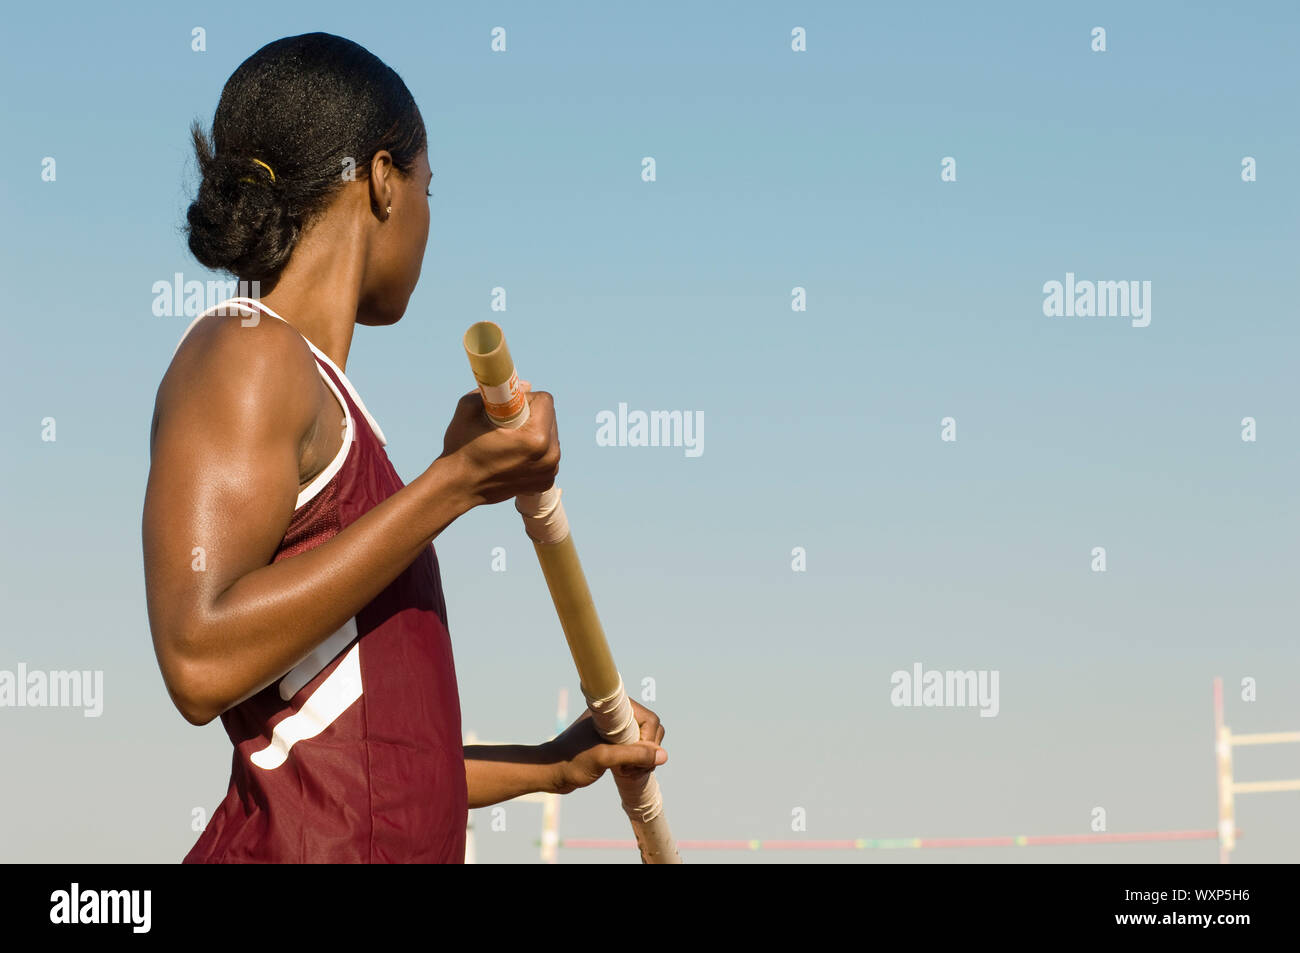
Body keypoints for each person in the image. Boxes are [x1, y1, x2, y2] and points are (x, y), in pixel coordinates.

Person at [142, 32, 667, 863]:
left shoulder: (339, 413)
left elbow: (374, 761)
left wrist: (552, 766)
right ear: (382, 181)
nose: (429, 215)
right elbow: (197, 657)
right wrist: (454, 485)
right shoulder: (245, 351)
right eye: (429, 186)